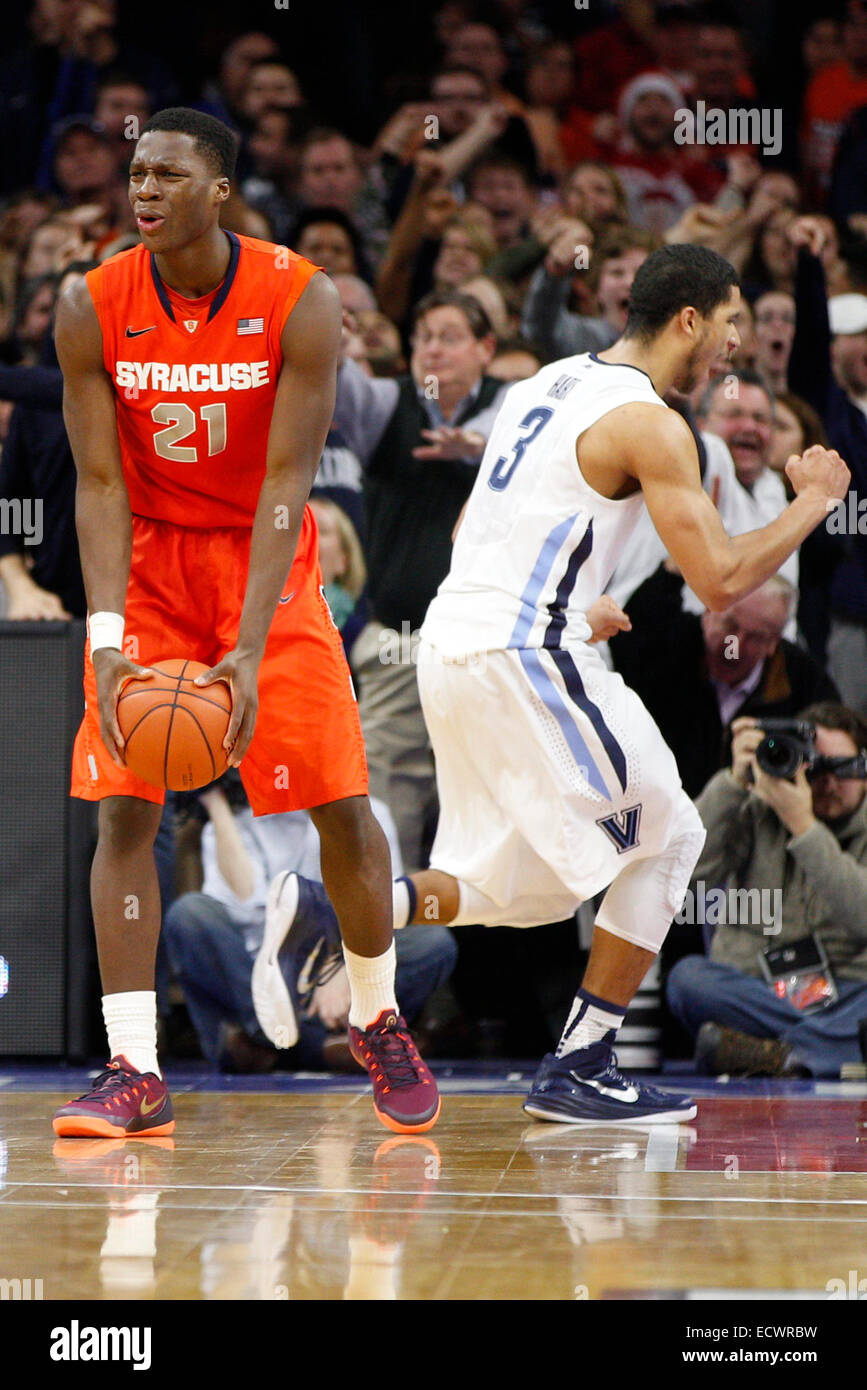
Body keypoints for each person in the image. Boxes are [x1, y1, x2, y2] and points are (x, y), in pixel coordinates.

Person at [51, 106, 440, 1141]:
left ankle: (376, 1012)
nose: (145, 190)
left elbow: (285, 484)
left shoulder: (297, 299)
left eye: (169, 174)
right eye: (137, 172)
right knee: (126, 807)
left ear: (219, 190)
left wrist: (251, 648)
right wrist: (104, 639)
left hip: (262, 558)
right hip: (148, 564)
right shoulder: (91, 304)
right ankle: (134, 1063)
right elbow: (97, 483)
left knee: (342, 804)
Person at [396, 243, 849, 1125]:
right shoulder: (650, 421)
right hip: (527, 652)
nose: (731, 351)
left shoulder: (543, 387)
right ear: (689, 319)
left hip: (453, 645)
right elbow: (718, 580)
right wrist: (812, 502)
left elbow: (471, 529)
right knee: (673, 832)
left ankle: (329, 909)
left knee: (515, 884)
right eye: (727, 328)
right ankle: (582, 1060)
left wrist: (579, 601)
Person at [667, 703, 867, 1078]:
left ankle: (776, 1054)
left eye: (844, 769)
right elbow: (679, 880)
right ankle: (821, 1054)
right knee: (687, 979)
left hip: (850, 995)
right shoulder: (757, 808)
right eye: (815, 767)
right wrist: (731, 782)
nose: (828, 783)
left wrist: (804, 828)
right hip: (759, 991)